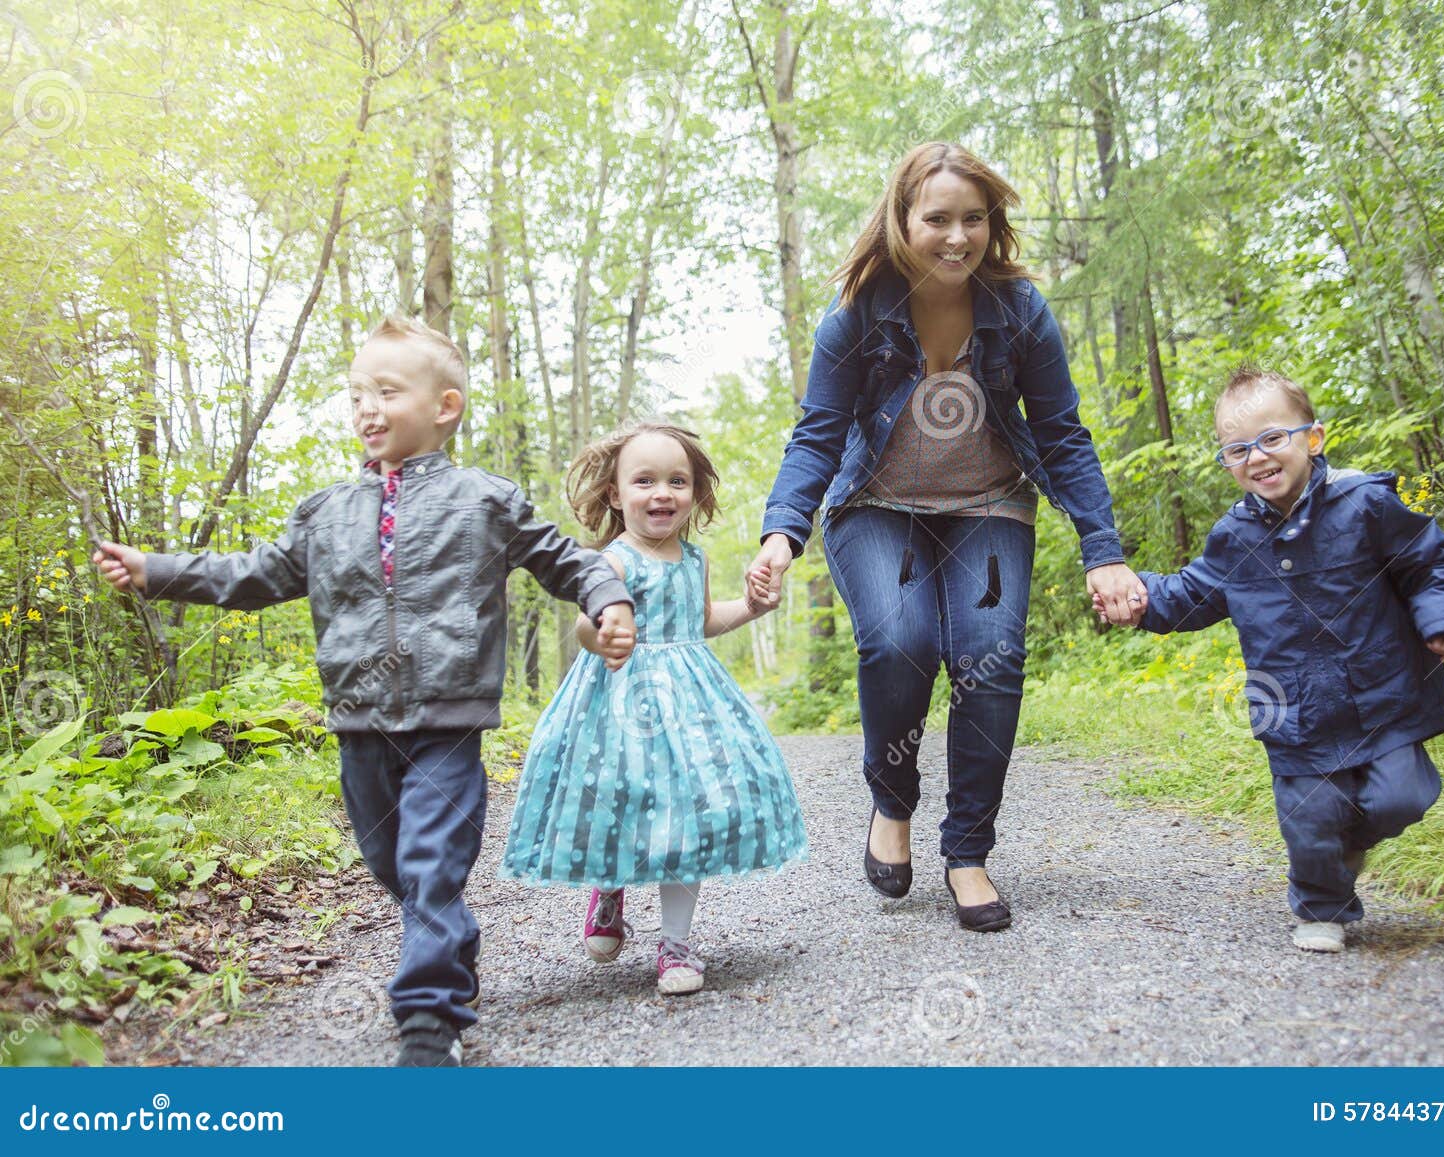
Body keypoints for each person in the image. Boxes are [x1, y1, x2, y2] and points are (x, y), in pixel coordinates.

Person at [92, 314, 636, 1063]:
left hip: (448, 716)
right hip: (359, 721)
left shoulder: (486, 500)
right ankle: (451, 944)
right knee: (391, 864)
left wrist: (608, 599)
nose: (366, 409)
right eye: (356, 395)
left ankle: (426, 1016)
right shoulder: (327, 512)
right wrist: (157, 570)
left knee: (429, 861)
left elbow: (567, 560)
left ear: (444, 407)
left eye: (385, 390)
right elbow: (251, 575)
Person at [747, 141, 1144, 931]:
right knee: (899, 641)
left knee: (988, 661)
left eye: (974, 219)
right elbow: (818, 434)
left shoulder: (1021, 311)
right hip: (877, 504)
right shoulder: (858, 311)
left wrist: (1104, 548)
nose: (957, 236)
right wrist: (782, 533)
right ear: (902, 220)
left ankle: (967, 851)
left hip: (989, 504)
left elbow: (1063, 435)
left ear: (992, 224)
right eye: (937, 218)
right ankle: (892, 799)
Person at [1100, 365, 1444, 953]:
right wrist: (1138, 600)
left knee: (1404, 795)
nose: (1257, 457)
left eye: (1272, 438)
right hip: (1294, 710)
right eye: (1237, 449)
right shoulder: (1234, 537)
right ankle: (1321, 903)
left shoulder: (1365, 504)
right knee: (1311, 818)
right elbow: (1191, 595)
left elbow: (1427, 562)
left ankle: (1341, 850)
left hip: (1383, 694)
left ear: (1313, 439)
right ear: (1227, 462)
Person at [501, 422, 807, 994]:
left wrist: (754, 607)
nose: (661, 493)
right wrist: (603, 637)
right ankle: (609, 892)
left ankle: (676, 944)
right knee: (622, 801)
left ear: (695, 493)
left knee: (687, 812)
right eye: (644, 481)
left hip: (691, 700)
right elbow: (585, 623)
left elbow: (702, 621)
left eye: (677, 481)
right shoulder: (611, 563)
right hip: (619, 699)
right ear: (616, 494)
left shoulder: (695, 561)